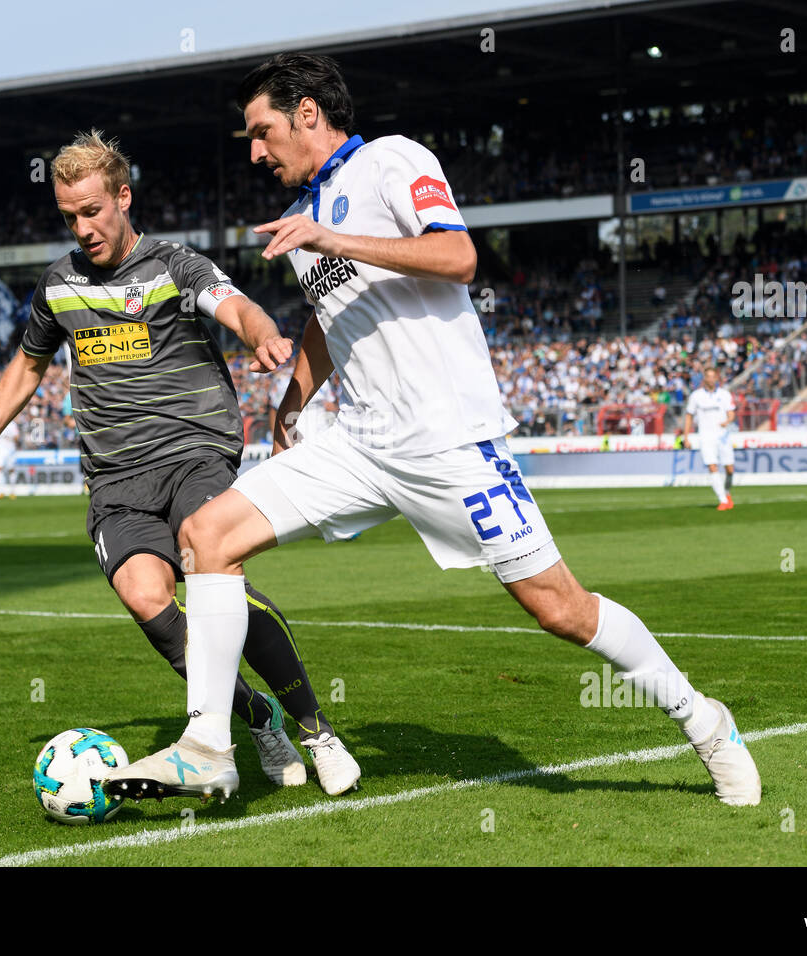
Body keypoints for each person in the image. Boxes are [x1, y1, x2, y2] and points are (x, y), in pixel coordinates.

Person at [106, 54, 760, 807]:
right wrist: (292, 405)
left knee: (561, 609)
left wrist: (336, 241)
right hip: (360, 443)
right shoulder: (311, 216)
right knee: (208, 536)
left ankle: (706, 722)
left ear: (308, 113)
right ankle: (208, 748)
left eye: (262, 132)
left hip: (450, 442)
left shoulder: (393, 161)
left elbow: (458, 256)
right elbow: (330, 320)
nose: (254, 152)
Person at [0, 129, 356, 792]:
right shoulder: (58, 286)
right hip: (115, 478)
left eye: (92, 211)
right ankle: (257, 715)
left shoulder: (175, 267)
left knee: (224, 586)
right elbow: (27, 364)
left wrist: (263, 334)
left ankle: (316, 729)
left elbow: (236, 306)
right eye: (69, 216)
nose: (82, 228)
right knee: (145, 597)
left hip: (195, 454)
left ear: (123, 197)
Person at [680, 366, 736, 510]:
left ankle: (726, 492)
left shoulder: (725, 394)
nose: (711, 379)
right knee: (712, 466)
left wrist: (727, 421)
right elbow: (689, 416)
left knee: (729, 469)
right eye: (708, 376)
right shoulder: (696, 396)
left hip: (723, 436)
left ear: (717, 378)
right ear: (704, 378)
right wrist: (686, 437)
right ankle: (723, 500)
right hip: (705, 436)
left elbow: (731, 414)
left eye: (713, 376)